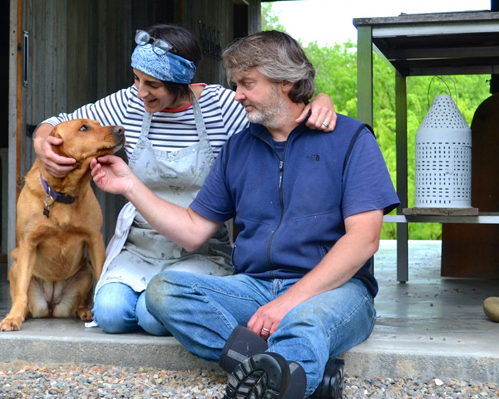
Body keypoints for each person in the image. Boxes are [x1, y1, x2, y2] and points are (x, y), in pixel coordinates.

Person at [90, 30, 399, 399]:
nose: (236, 95)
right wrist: (128, 185)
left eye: (246, 84)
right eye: (235, 84)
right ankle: (297, 378)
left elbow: (363, 241)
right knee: (165, 291)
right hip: (253, 286)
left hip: (336, 289)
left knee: (305, 321)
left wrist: (286, 302)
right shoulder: (238, 148)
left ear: (285, 82)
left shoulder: (350, 140)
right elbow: (194, 230)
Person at [33, 24, 337, 336]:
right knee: (109, 313)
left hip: (199, 245)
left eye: (151, 84)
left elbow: (279, 107)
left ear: (180, 82)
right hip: (142, 245)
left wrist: (321, 100)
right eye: (136, 79)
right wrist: (43, 143)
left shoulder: (222, 107)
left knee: (152, 316)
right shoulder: (128, 104)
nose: (140, 91)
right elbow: (56, 122)